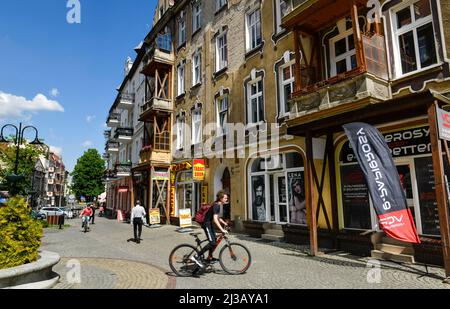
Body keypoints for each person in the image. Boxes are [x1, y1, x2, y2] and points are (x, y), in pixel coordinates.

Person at [190, 190, 229, 274]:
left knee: (214, 241)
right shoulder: (216, 205)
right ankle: (196, 256)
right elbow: (215, 219)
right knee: (212, 243)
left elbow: (217, 217)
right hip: (206, 224)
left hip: (209, 224)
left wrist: (224, 223)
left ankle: (210, 257)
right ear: (221, 198)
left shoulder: (217, 205)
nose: (227, 199)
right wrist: (222, 229)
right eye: (225, 198)